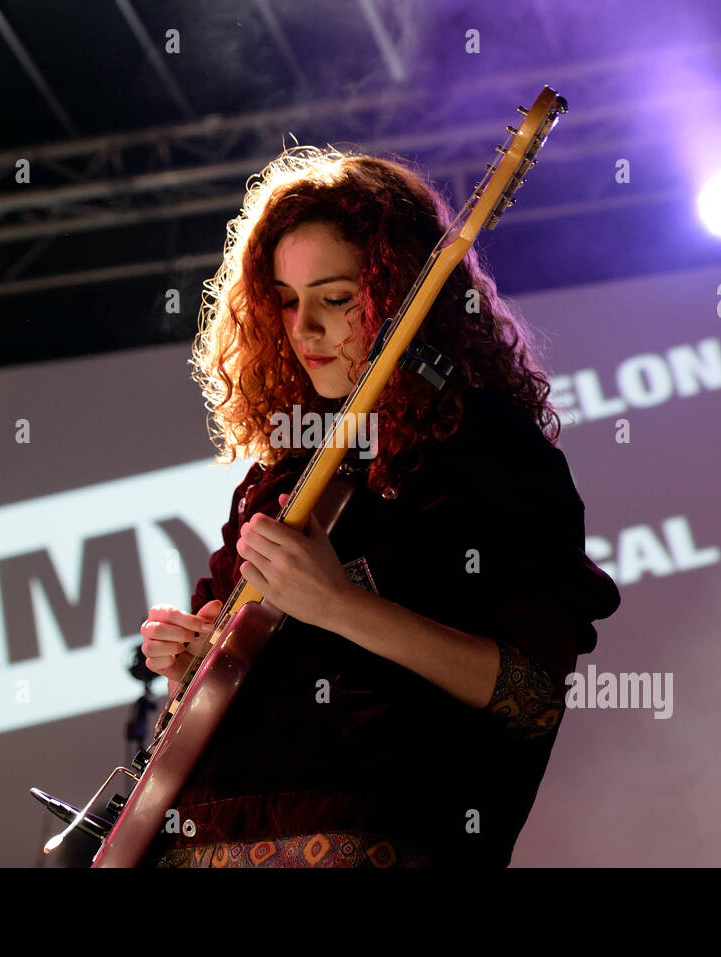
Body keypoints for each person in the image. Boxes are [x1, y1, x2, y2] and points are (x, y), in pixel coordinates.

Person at [137, 146, 620, 867]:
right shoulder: (279, 479)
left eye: (335, 299)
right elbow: (215, 685)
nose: (303, 329)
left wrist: (335, 603)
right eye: (287, 300)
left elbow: (532, 694)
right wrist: (192, 660)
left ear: (398, 297)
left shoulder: (487, 450)